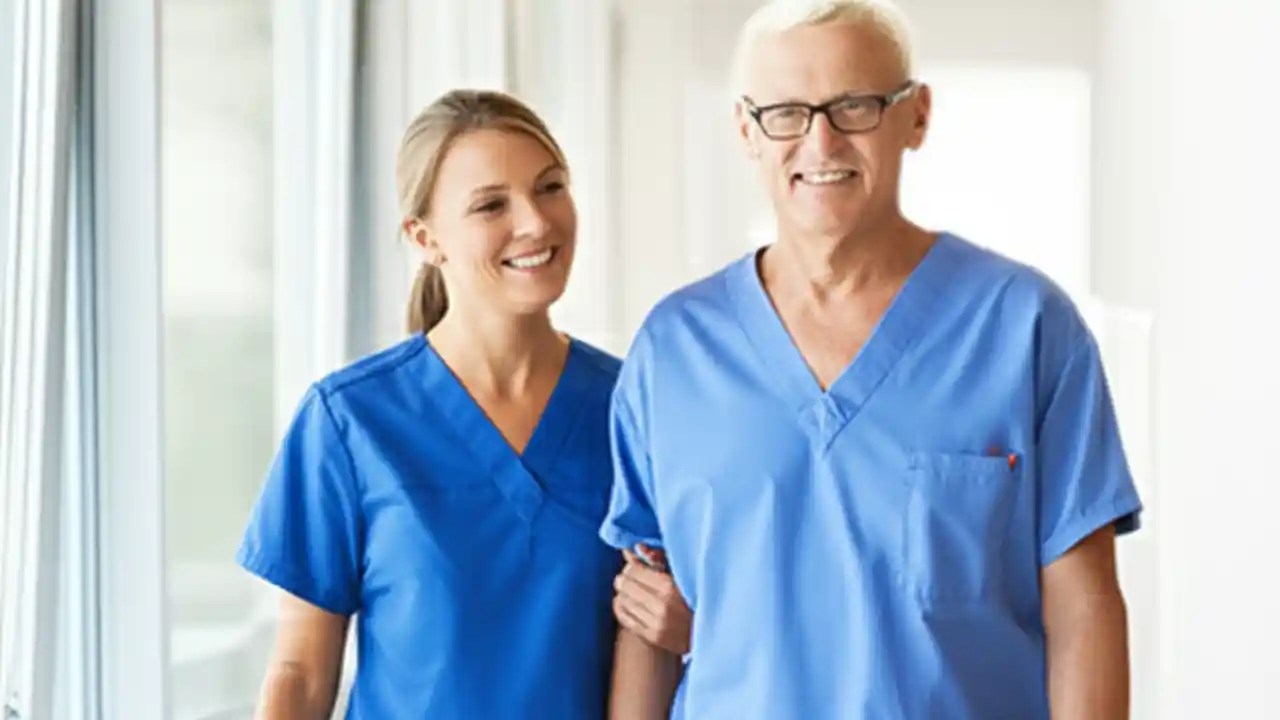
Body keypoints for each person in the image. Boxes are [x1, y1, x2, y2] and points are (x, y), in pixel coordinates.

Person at [601, 1, 1143, 718]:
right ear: (746, 131)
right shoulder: (675, 350)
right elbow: (646, 618)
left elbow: (1083, 610)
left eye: (855, 106)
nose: (820, 142)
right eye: (786, 112)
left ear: (916, 117)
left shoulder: (1025, 329)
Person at [237, 89, 690, 719]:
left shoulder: (633, 411)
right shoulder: (349, 423)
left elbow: (663, 636)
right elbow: (300, 674)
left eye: (550, 187)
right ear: (425, 238)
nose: (535, 222)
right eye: (491, 205)